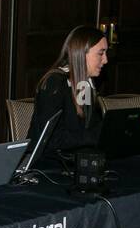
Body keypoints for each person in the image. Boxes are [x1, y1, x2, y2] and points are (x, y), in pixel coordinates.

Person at [26, 26, 109, 161]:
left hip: (71, 161)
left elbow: (87, 125)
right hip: (47, 165)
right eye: (101, 53)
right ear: (82, 53)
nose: (105, 60)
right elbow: (53, 140)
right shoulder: (55, 84)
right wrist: (96, 135)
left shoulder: (84, 84)